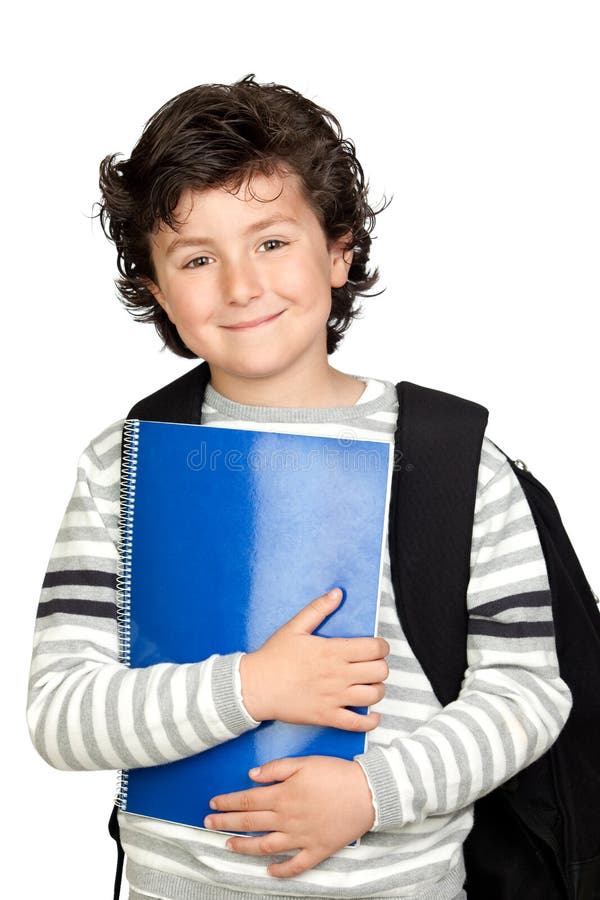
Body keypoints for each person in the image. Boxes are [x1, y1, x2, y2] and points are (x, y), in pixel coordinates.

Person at [26, 73, 573, 900]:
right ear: (155, 288)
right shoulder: (126, 464)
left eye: (272, 242)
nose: (241, 285)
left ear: (341, 251)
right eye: (198, 257)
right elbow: (62, 714)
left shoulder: (459, 462)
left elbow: (527, 691)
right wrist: (253, 687)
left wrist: (371, 794)